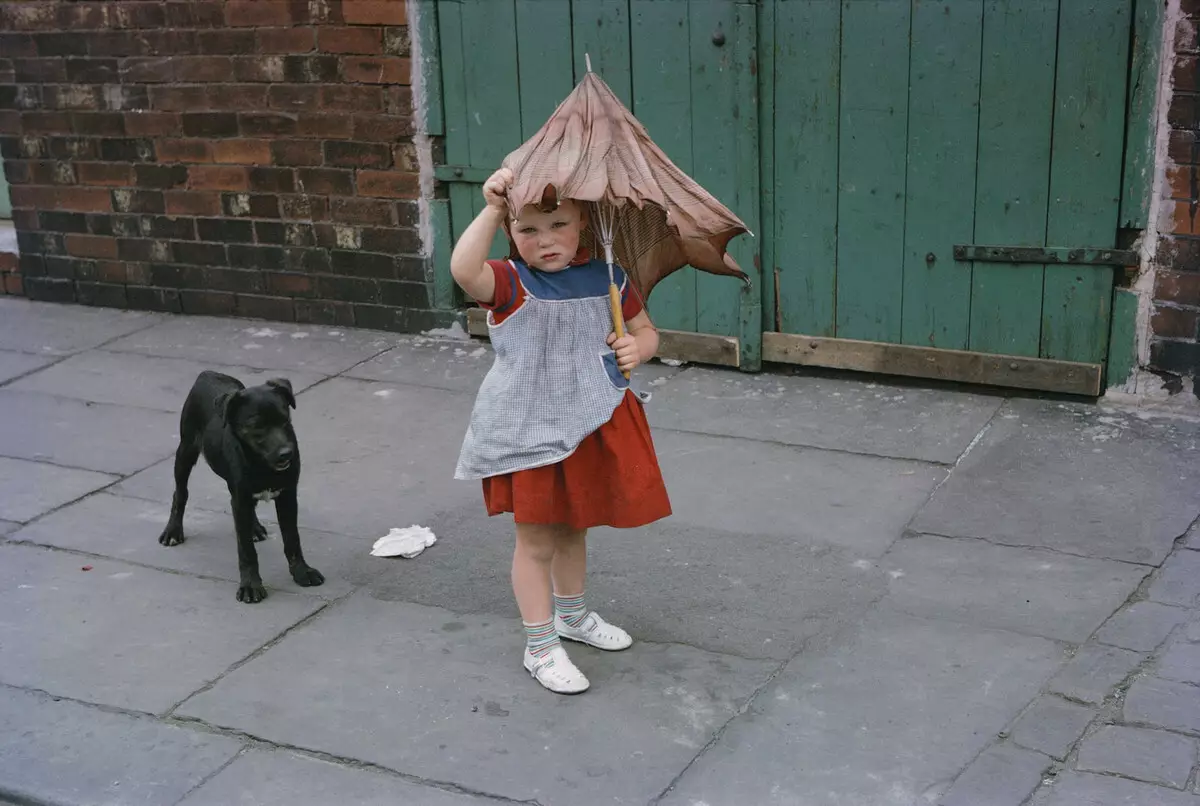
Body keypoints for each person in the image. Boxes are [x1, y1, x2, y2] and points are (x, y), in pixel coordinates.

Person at [450, 167, 672, 694]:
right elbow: (463, 269)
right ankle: (540, 644)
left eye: (559, 225)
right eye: (528, 230)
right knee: (536, 539)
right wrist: (492, 207)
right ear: (510, 234)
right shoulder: (508, 280)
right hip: (530, 427)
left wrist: (635, 349)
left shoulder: (610, 278)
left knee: (576, 526)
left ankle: (572, 616)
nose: (545, 240)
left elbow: (647, 333)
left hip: (591, 419)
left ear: (583, 225)